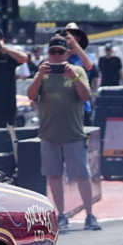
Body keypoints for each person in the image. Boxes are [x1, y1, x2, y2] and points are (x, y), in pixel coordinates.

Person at [26, 36, 100, 231]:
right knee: (54, 176)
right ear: (48, 54)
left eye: (60, 52)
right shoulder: (43, 72)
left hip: (73, 133)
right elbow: (31, 95)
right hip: (49, 133)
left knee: (82, 175)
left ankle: (90, 215)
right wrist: (39, 75)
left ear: (67, 54)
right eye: (53, 52)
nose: (57, 56)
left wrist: (73, 77)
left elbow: (86, 96)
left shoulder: (77, 71)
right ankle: (60, 214)